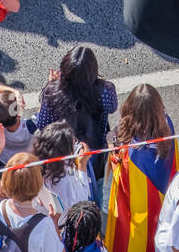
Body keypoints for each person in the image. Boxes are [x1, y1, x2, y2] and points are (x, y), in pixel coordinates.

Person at [105, 83, 178, 252]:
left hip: (137, 211)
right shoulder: (167, 125)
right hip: (163, 203)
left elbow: (120, 178)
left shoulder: (129, 147)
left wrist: (112, 150)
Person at [35, 46, 118, 177]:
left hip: (63, 152)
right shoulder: (106, 90)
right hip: (94, 150)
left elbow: (42, 124)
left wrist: (51, 83)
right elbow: (112, 108)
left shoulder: (53, 92)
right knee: (96, 185)